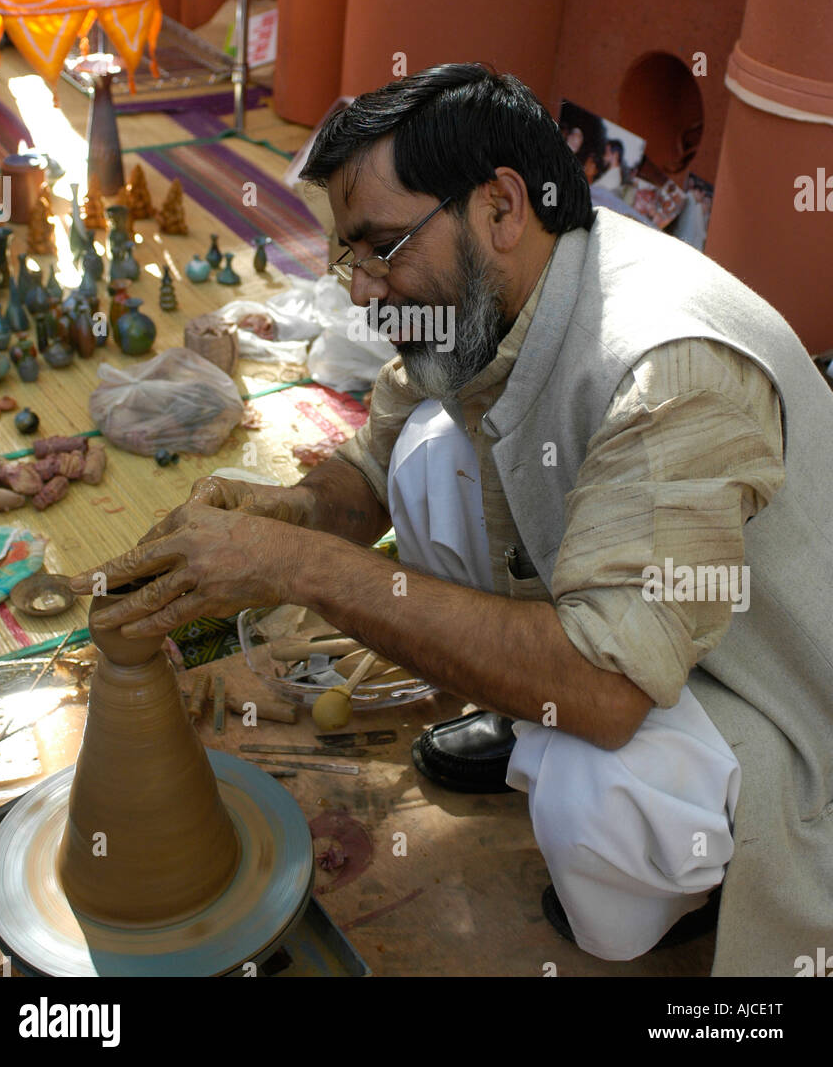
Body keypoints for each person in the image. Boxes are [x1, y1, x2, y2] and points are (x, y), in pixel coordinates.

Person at [70, 62, 833, 977]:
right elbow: (372, 466)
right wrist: (292, 513)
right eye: (348, 257)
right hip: (630, 619)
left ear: (501, 207)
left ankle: (668, 904)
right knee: (433, 448)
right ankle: (528, 720)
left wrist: (298, 566)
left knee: (596, 779)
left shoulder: (668, 366)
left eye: (379, 248)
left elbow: (605, 690)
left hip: (771, 701)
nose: (360, 291)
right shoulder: (499, 292)